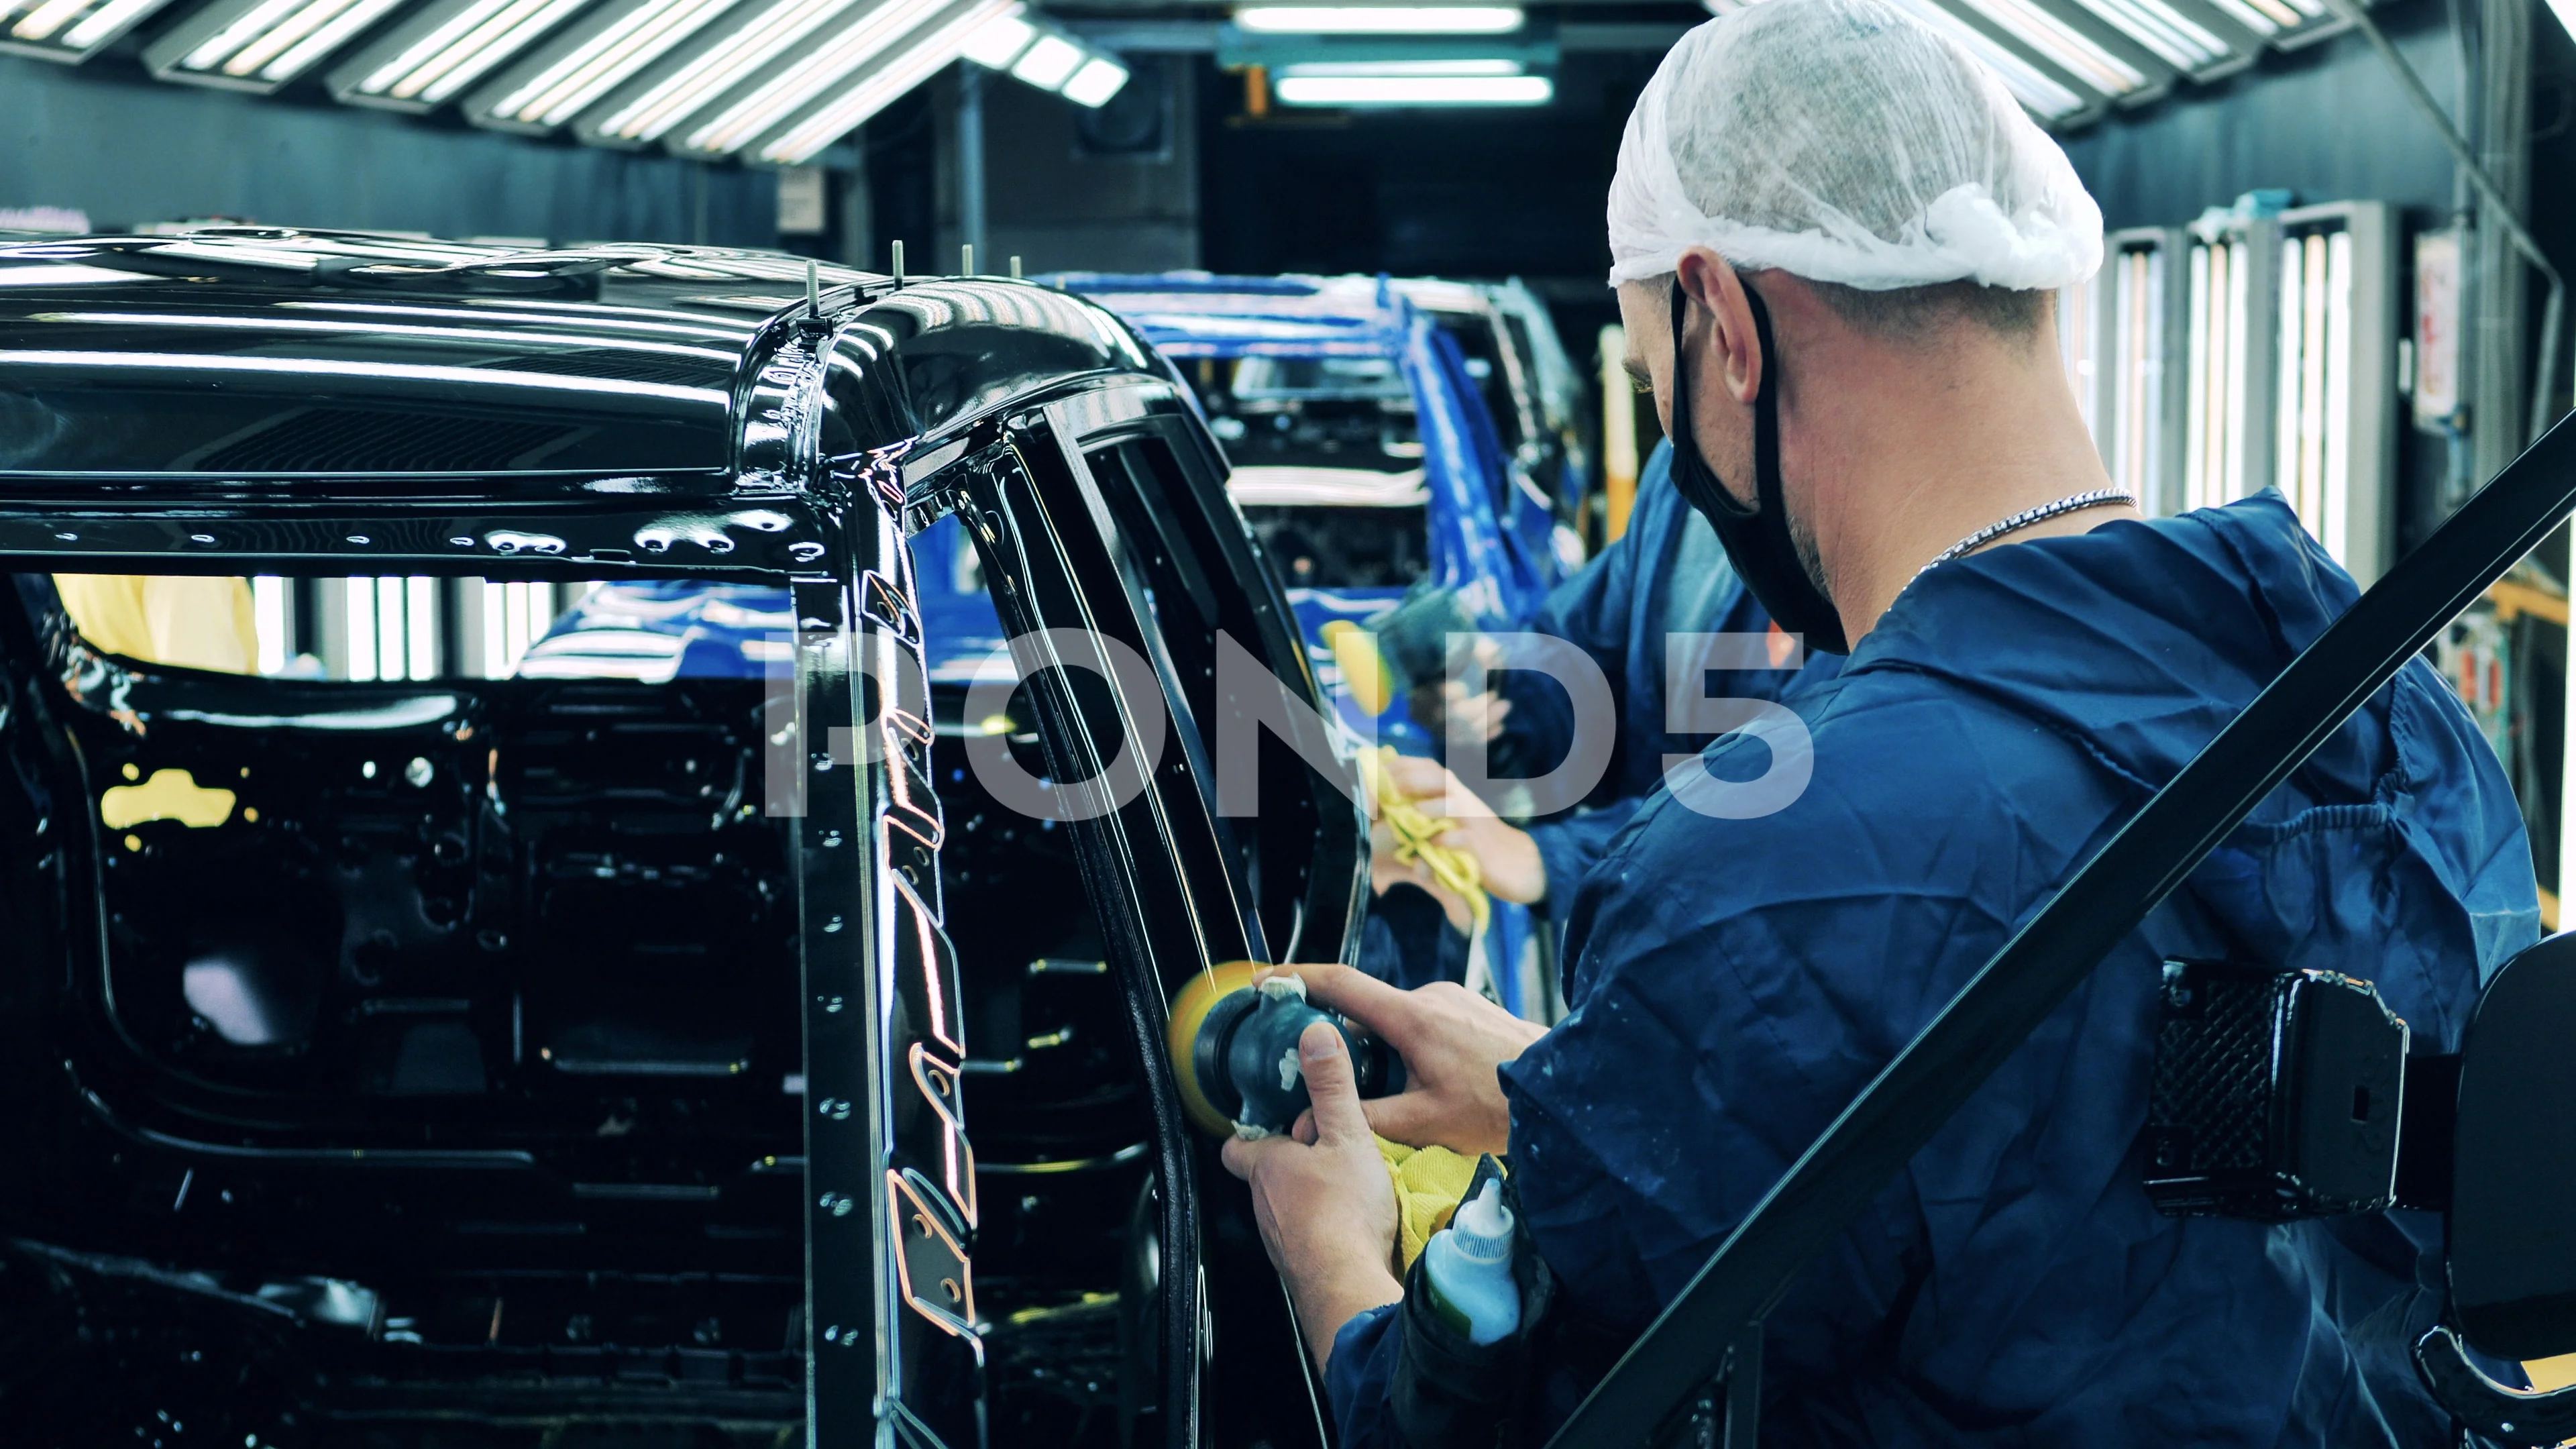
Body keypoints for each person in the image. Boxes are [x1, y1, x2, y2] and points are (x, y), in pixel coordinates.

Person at [1222, 2, 2540, 1444]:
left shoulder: (1767, 863)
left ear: (1725, 325)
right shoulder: (2388, 707)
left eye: (1654, 379)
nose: (1670, 431)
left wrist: (1337, 1256)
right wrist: (1577, 1108)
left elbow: (1498, 1422)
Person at [1370, 438, 1841, 937]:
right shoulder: (1684, 465)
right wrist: (1500, 713)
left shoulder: (1857, 525)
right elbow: (1592, 659)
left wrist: (1546, 860)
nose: (1626, 363)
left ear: (1736, 358)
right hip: (1649, 944)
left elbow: (1788, 806)